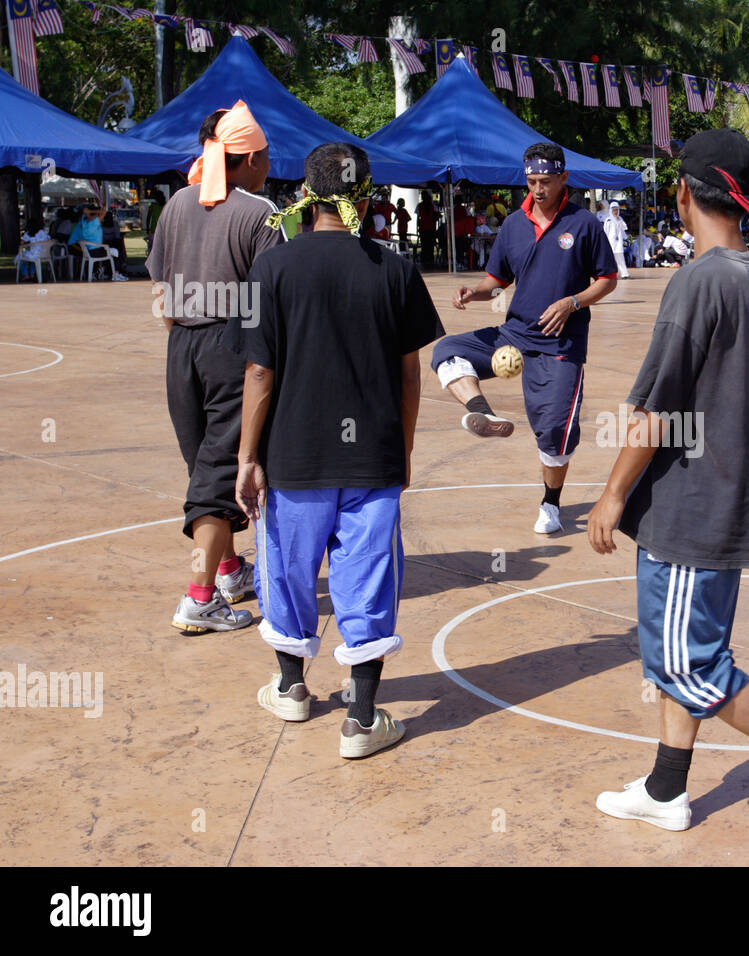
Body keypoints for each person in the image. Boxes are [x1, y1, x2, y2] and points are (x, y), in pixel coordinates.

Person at [586, 128, 749, 839]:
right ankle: (667, 788)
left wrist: (611, 495)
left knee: (686, 660)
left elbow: (654, 409)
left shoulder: (697, 281)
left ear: (683, 194)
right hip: (730, 494)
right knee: (691, 650)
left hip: (690, 503)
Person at [226, 143, 443, 759]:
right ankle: (363, 718)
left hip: (294, 457)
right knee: (368, 578)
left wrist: (247, 458)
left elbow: (259, 375)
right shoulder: (394, 269)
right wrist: (399, 454)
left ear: (306, 197)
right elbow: (409, 377)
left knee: (288, 572)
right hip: (372, 457)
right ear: (366, 199)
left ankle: (293, 688)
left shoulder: (271, 270)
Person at [432, 143, 618, 534]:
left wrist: (572, 302)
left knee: (554, 430)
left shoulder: (584, 224)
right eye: (531, 181)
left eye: (546, 182)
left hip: (559, 345)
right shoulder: (513, 225)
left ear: (564, 179)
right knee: (447, 351)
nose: (537, 189)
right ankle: (483, 411)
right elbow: (497, 280)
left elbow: (607, 280)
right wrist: (473, 292)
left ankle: (550, 504)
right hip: (512, 335)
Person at [147, 101, 282, 634]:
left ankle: (227, 569)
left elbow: (159, 285)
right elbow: (275, 297)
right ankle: (199, 596)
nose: (270, 164)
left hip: (181, 345)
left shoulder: (177, 203)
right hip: (233, 347)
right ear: (248, 159)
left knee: (204, 462)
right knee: (220, 468)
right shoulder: (261, 212)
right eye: (266, 156)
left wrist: (184, 332)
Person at [603, 200, 630, 279]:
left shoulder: (620, 218)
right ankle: (608, 274)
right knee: (609, 259)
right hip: (611, 242)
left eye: (617, 210)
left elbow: (624, 228)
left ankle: (625, 274)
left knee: (620, 258)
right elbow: (605, 231)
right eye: (614, 210)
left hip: (618, 242)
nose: (615, 212)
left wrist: (618, 220)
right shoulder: (608, 220)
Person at [416, 189, 439, 266]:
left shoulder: (420, 206)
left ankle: (425, 260)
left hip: (424, 228)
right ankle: (429, 259)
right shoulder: (432, 205)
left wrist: (418, 228)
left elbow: (418, 218)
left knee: (425, 245)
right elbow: (437, 216)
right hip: (430, 228)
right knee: (430, 245)